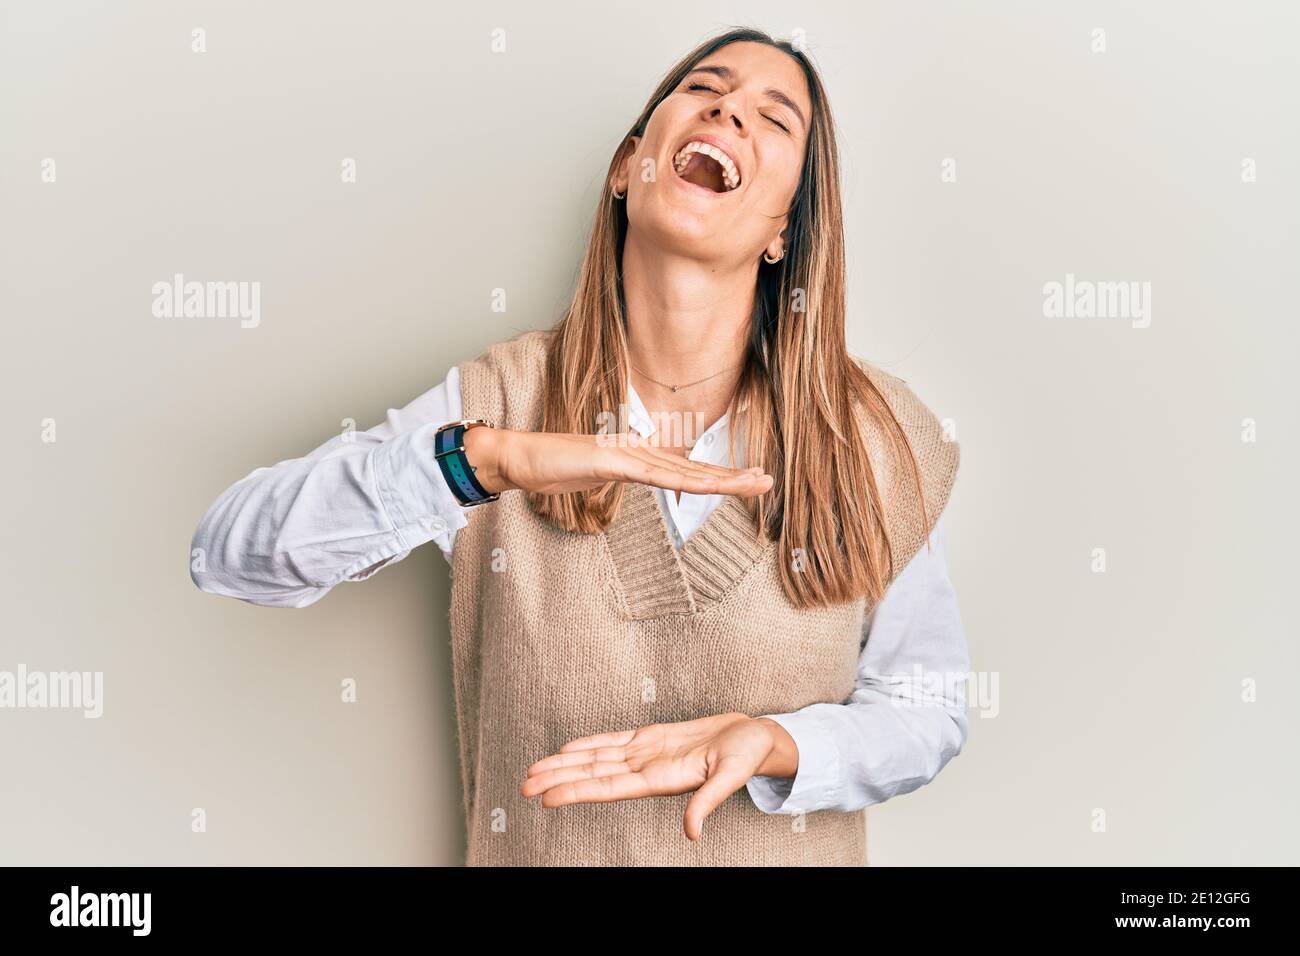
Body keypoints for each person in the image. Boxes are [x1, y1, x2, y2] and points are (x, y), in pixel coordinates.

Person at [191, 27, 968, 866]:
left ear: (785, 229)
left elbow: (926, 707)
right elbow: (228, 554)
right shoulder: (499, 403)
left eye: (773, 119)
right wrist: (478, 464)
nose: (727, 110)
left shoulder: (869, 435)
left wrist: (777, 744)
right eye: (705, 87)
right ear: (626, 167)